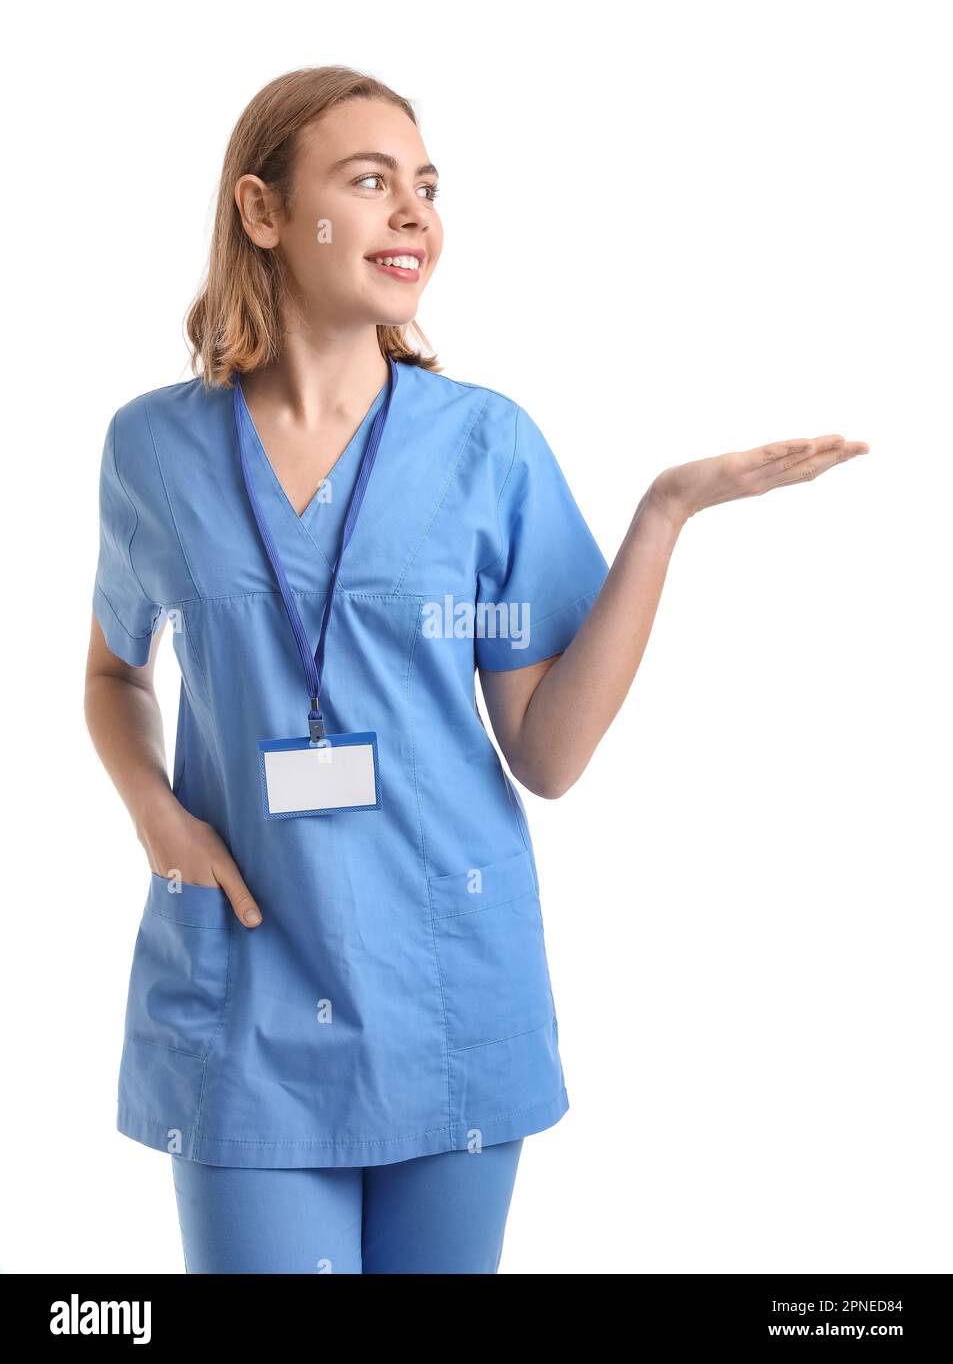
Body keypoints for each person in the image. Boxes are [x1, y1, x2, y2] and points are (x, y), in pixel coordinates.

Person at [84, 65, 869, 1275]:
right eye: (369, 181)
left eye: (427, 187)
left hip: (441, 980)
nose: (413, 213)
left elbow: (547, 755)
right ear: (261, 212)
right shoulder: (154, 446)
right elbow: (113, 671)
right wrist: (155, 813)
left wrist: (660, 517)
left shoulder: (484, 442)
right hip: (239, 978)